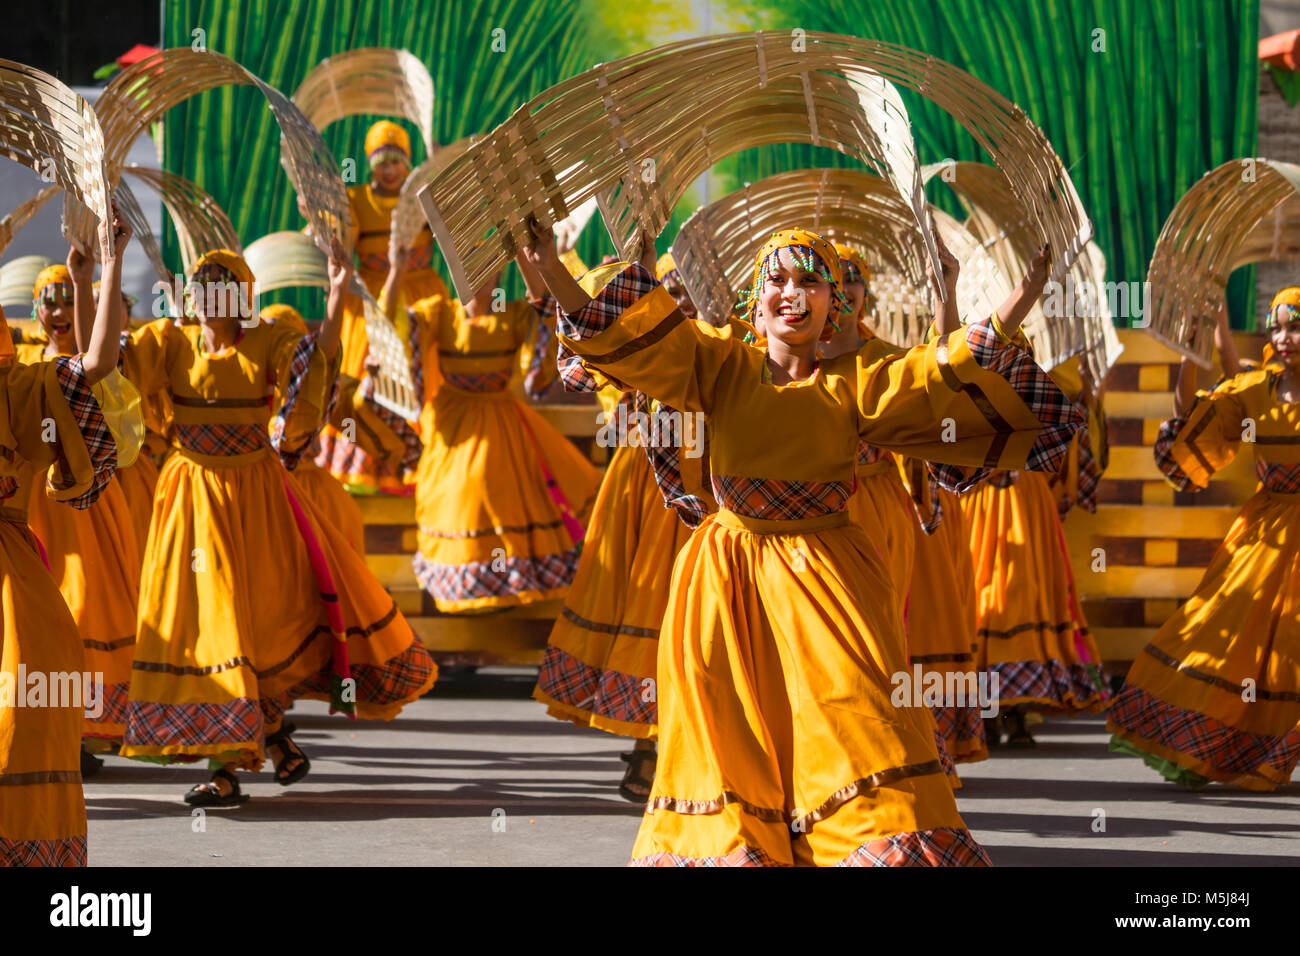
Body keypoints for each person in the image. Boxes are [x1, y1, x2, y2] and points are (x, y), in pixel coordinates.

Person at [525, 216, 1081, 866]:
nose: (793, 292)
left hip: (833, 583)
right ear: (755, 301)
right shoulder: (715, 363)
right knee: (729, 739)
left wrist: (1007, 296)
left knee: (862, 724)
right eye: (779, 280)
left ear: (833, 302)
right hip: (725, 589)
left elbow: (944, 376)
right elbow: (627, 338)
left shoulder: (860, 377)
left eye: (811, 282)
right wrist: (550, 268)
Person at [116, 240, 437, 805]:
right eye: (203, 283)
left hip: (258, 495)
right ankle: (232, 763)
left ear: (241, 294)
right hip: (190, 499)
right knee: (208, 628)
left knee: (258, 628)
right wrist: (101, 266)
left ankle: (261, 740)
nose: (211, 293)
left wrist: (337, 295)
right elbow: (107, 370)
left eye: (223, 283)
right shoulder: (168, 341)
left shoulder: (267, 339)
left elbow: (314, 369)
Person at [1107, 288, 1300, 790]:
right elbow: (1194, 425)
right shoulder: (1257, 391)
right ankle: (1226, 745)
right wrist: (1188, 354)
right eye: (1277, 328)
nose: (1284, 338)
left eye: (1294, 327)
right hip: (1266, 541)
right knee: (1225, 637)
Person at [533, 253, 699, 802]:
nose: (678, 305)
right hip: (637, 490)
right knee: (644, 613)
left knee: (689, 622)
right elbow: (585, 357)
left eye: (683, 295)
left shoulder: (713, 346)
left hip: (701, 496)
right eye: (666, 295)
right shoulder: (619, 354)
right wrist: (548, 267)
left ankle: (694, 750)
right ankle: (647, 747)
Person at [0, 203, 134, 866]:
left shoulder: (18, 387)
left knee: (23, 716)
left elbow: (99, 361)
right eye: (48, 302)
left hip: (15, 580)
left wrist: (102, 273)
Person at [388, 239, 600, 612]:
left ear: (499, 276)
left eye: (488, 271)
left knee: (496, 477)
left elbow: (546, 316)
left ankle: (510, 579)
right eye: (470, 270)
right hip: (452, 423)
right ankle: (462, 577)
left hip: (501, 419)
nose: (480, 280)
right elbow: (393, 334)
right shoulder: (438, 313)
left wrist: (522, 252)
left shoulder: (513, 314)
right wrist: (395, 272)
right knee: (461, 488)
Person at [17, 259, 145, 762]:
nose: (57, 310)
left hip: (88, 510)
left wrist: (91, 274)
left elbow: (100, 357)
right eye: (48, 301)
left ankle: (85, 727)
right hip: (33, 510)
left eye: (66, 300)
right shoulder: (23, 368)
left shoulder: (79, 370)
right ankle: (51, 731)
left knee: (89, 607)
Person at [959, 352, 1110, 747]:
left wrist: (1091, 391)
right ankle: (987, 714)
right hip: (978, 508)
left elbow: (1068, 440)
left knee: (1025, 597)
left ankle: (1018, 712)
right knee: (979, 601)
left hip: (1027, 506)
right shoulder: (961, 384)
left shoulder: (1043, 385)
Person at [316, 120, 449, 495]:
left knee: (426, 375)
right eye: (381, 162)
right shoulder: (355, 199)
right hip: (372, 299)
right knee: (366, 375)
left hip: (422, 292)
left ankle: (427, 462)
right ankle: (368, 463)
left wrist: (442, 181)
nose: (389, 170)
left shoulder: (423, 194)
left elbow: (448, 231)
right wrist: (322, 214)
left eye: (396, 161)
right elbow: (339, 243)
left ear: (407, 162)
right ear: (370, 164)